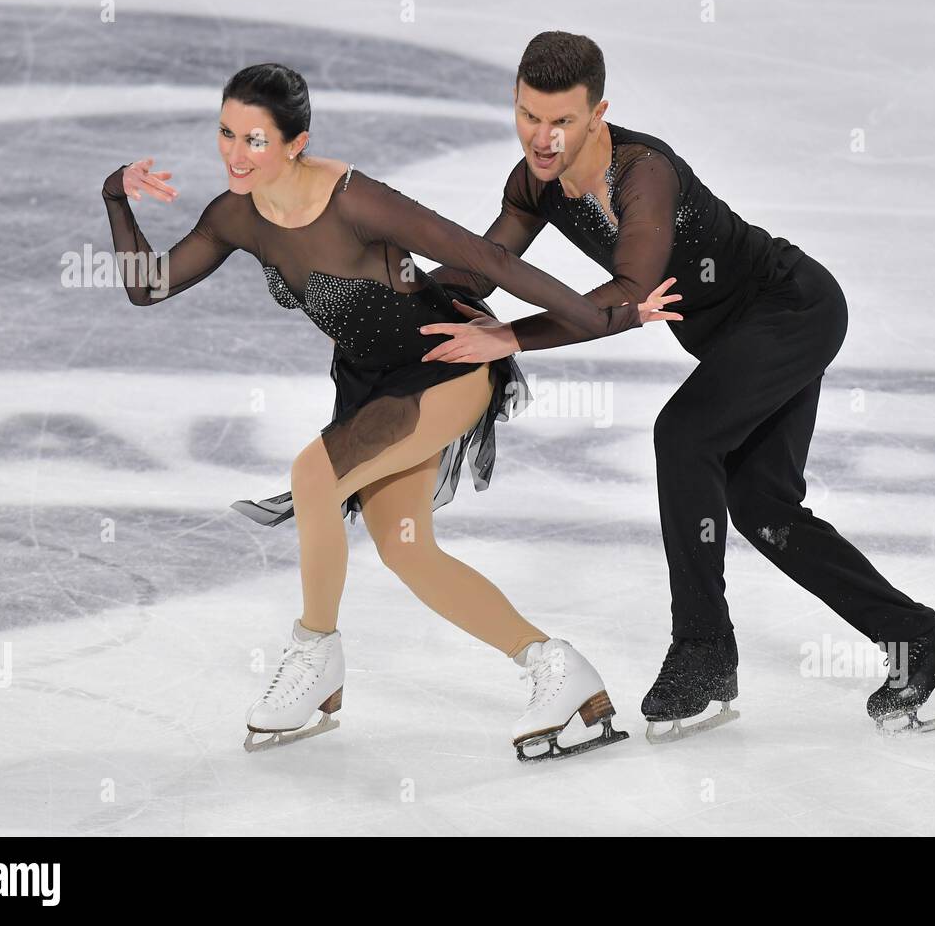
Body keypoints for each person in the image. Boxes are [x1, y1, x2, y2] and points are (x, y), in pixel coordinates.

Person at [417, 32, 935, 738]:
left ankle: (703, 649)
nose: (542, 137)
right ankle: (924, 646)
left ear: (598, 114)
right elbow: (482, 267)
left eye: (561, 120)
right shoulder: (534, 181)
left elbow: (632, 293)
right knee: (762, 506)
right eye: (528, 115)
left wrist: (507, 336)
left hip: (793, 309)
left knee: (682, 435)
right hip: (738, 344)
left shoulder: (643, 174)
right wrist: (395, 297)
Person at [99, 62, 682, 760]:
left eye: (255, 140)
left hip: (442, 364)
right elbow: (149, 287)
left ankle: (315, 657)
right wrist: (115, 197)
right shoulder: (235, 215)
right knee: (406, 547)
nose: (234, 153)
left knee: (313, 477)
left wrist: (603, 313)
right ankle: (557, 669)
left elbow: (482, 257)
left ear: (296, 143)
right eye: (226, 134)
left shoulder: (354, 200)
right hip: (368, 384)